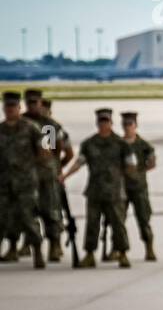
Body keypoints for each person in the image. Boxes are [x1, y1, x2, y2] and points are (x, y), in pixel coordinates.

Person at [59, 108, 131, 268]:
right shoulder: (89, 144)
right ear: (97, 123)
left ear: (111, 123)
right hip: (95, 191)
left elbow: (131, 166)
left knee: (118, 224)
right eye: (101, 121)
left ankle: (123, 253)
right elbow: (79, 162)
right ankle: (90, 254)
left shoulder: (121, 144)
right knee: (92, 224)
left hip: (115, 192)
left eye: (106, 121)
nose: (103, 124)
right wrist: (64, 175)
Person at [0, 90, 47, 268]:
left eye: (13, 107)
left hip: (26, 183)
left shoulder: (31, 128)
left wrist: (31, 167)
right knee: (3, 217)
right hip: (4, 183)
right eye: (7, 107)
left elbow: (45, 152)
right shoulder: (1, 129)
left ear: (19, 108)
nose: (10, 110)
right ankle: (10, 248)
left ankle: (38, 252)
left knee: (28, 217)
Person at [23, 88, 70, 263]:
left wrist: (56, 167)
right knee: (26, 212)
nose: (32, 106)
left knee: (50, 210)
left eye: (35, 102)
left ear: (41, 103)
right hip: (26, 176)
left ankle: (54, 245)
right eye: (29, 102)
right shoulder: (21, 123)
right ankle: (27, 245)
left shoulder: (48, 125)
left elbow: (52, 151)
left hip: (45, 174)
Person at [120, 111, 157, 262]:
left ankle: (149, 247)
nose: (128, 127)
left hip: (139, 187)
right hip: (122, 187)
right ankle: (118, 249)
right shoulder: (118, 143)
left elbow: (152, 162)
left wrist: (139, 172)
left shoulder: (143, 145)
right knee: (118, 219)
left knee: (143, 218)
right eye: (125, 124)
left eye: (130, 124)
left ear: (135, 125)